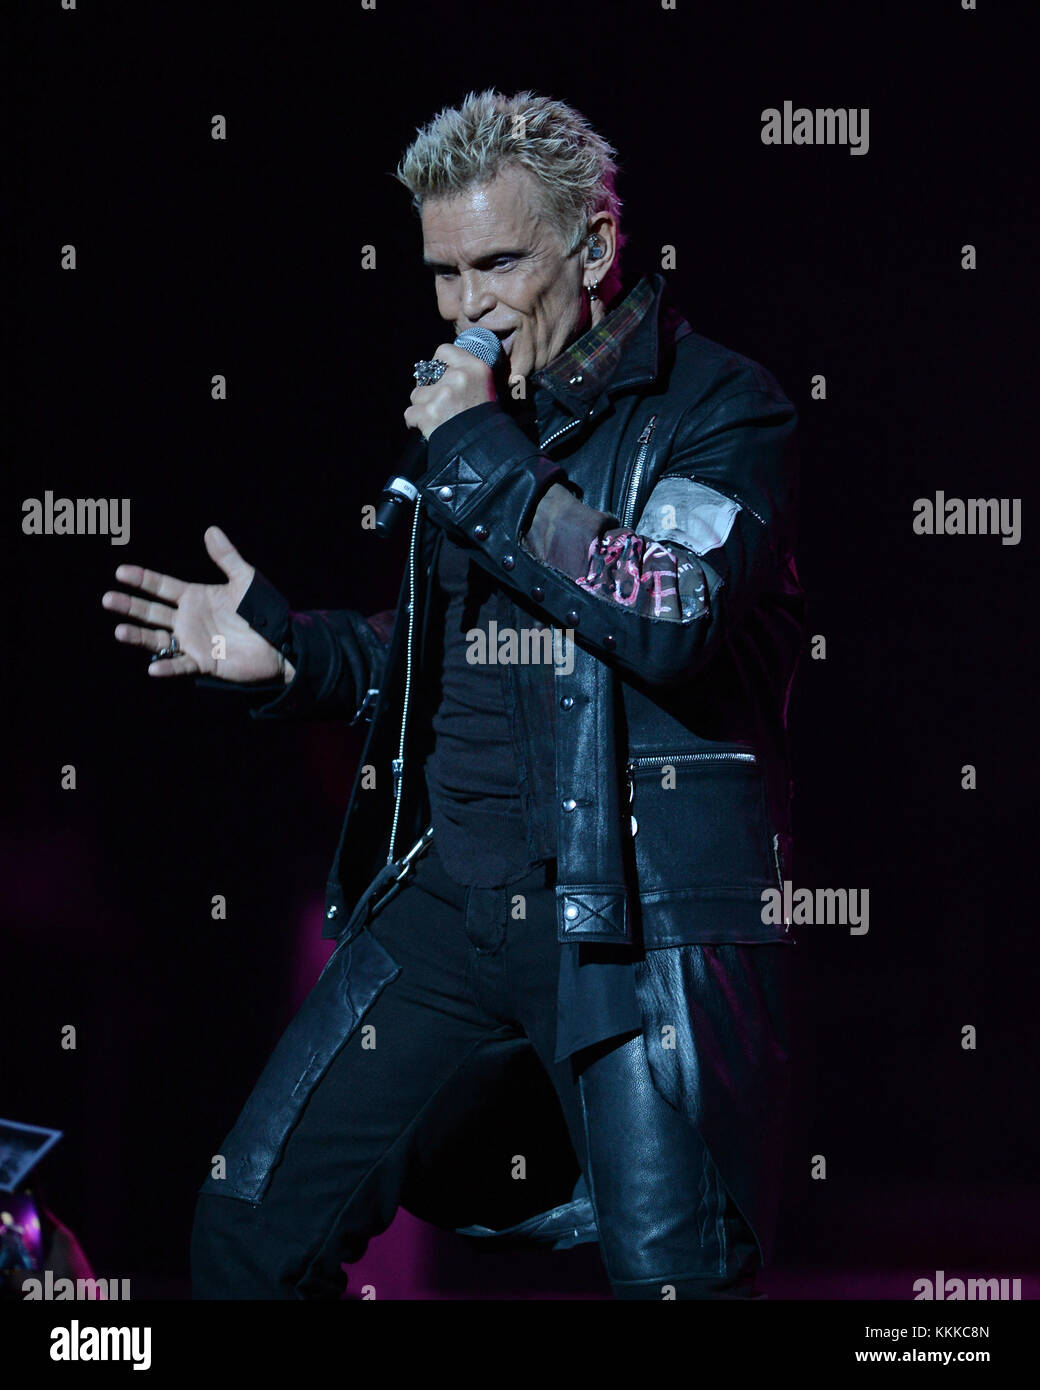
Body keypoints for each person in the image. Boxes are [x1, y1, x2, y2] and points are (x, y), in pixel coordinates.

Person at [103, 89, 806, 1300]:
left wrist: (474, 454)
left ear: (593, 247)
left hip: (618, 919)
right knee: (242, 1238)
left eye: (495, 263)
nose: (464, 305)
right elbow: (450, 654)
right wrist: (294, 651)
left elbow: (667, 612)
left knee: (674, 1280)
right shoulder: (487, 427)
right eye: (441, 272)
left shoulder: (718, 409)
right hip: (445, 906)